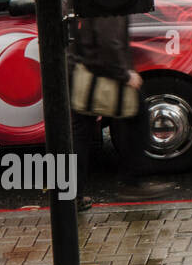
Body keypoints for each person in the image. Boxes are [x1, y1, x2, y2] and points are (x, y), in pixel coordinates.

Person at [68, 13, 174, 210]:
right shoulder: (108, 0)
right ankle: (131, 181)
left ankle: (72, 196)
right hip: (98, 72)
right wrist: (124, 74)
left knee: (81, 134)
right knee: (136, 116)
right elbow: (108, 41)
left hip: (84, 68)